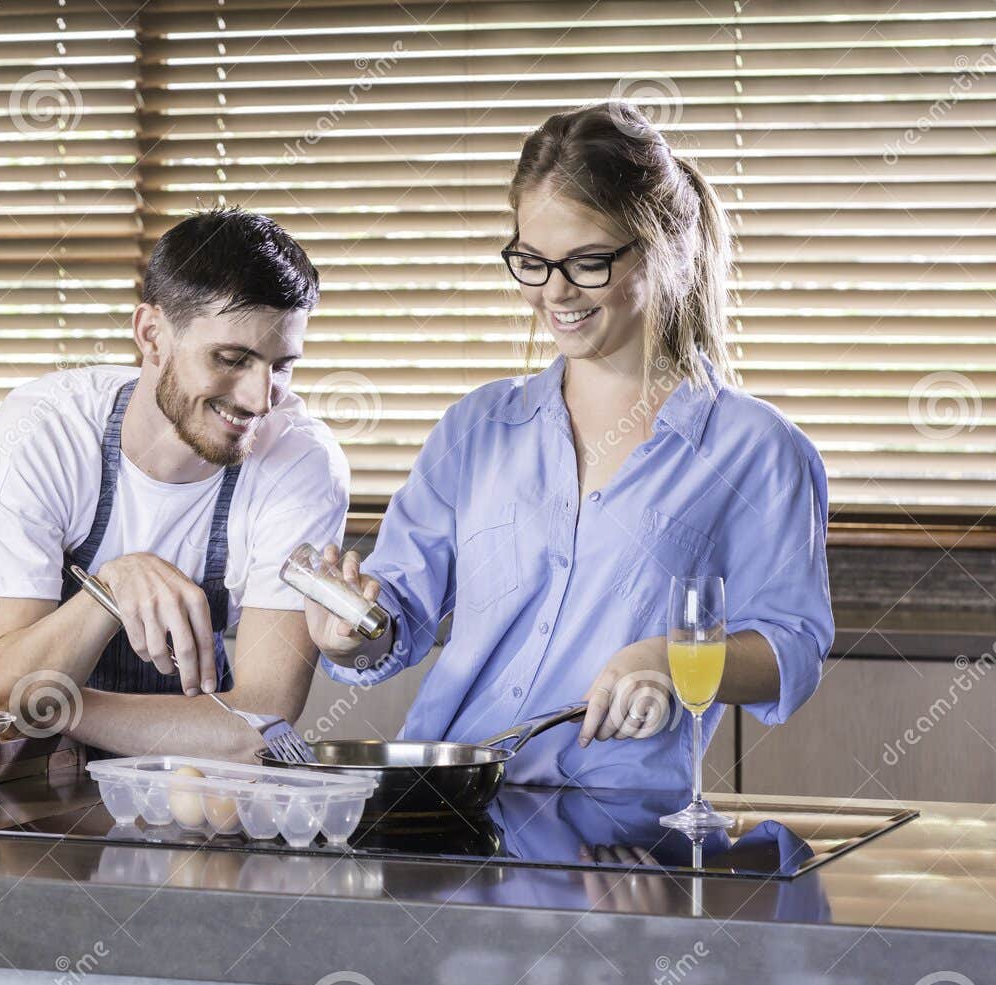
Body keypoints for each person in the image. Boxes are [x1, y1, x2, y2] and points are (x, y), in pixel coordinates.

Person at [307, 101, 834, 789]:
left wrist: (667, 658)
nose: (554, 293)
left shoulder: (756, 450)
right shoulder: (477, 428)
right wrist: (351, 629)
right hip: (443, 797)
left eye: (587, 263)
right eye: (532, 261)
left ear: (668, 249)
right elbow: (393, 619)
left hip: (611, 820)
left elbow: (792, 645)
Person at [0, 208, 349, 759]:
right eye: (232, 359)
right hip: (3, 752)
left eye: (281, 366)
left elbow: (260, 717)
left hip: (167, 754)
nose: (260, 399)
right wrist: (110, 589)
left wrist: (59, 706)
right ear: (152, 335)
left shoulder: (302, 463)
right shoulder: (43, 428)